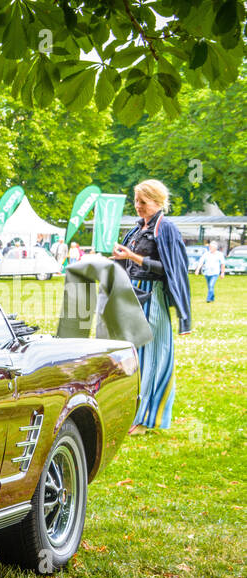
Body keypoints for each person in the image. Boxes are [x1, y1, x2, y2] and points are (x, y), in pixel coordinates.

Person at [111, 178, 191, 433]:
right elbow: (127, 263)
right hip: (133, 296)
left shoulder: (166, 228)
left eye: (142, 202)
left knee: (153, 357)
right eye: (136, 201)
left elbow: (170, 269)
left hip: (152, 296)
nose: (138, 206)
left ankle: (147, 419)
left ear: (157, 201)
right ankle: (134, 413)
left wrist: (133, 256)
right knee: (134, 356)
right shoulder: (136, 230)